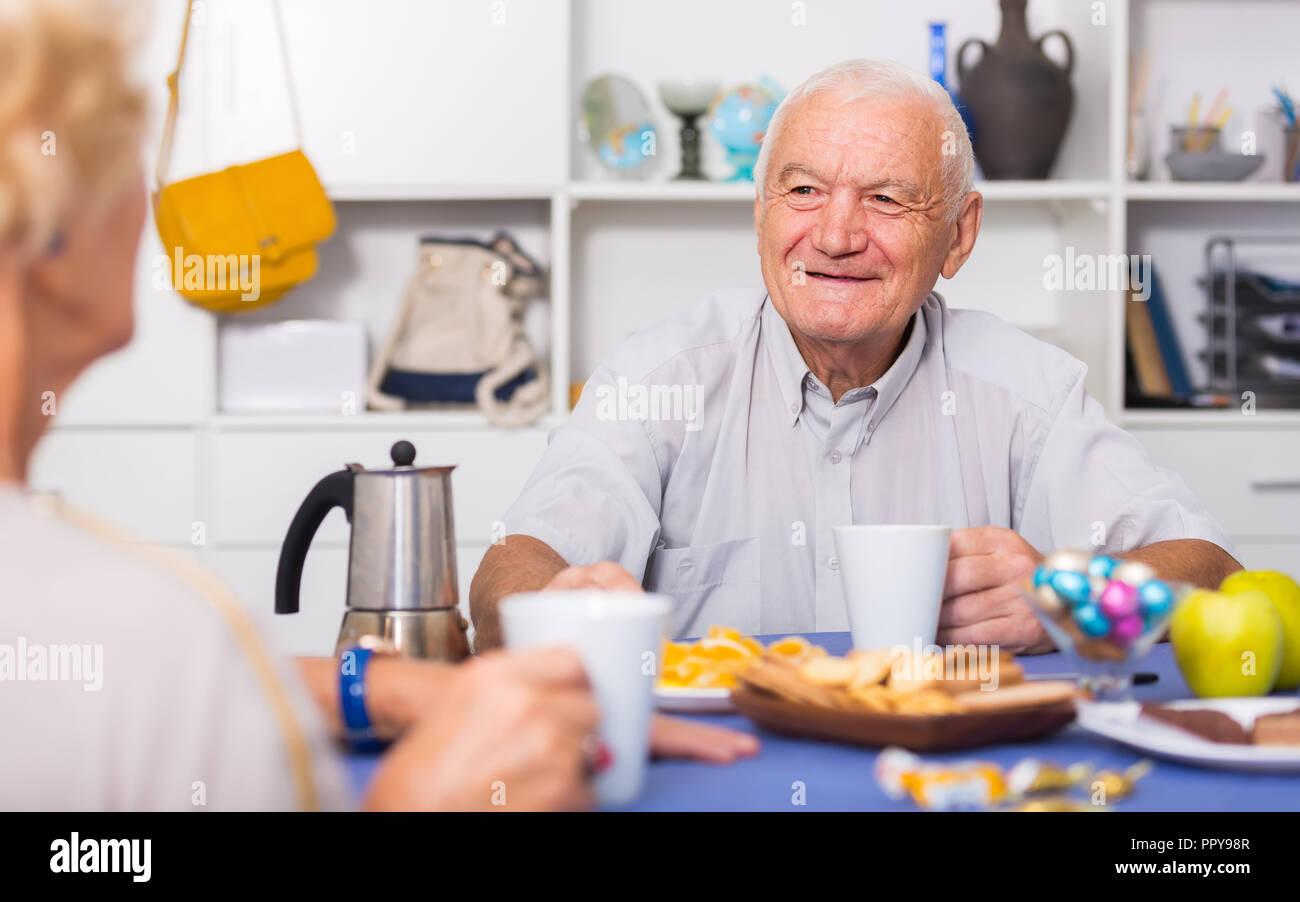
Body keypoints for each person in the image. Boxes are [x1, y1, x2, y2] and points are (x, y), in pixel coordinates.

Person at [0, 0, 754, 813]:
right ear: (49, 238)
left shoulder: (126, 643)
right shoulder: (157, 631)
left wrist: (394, 692)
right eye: (128, 156)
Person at [470, 58, 1240, 652]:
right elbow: (517, 563)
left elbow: (1214, 573)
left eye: (887, 198)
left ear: (959, 236)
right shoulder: (656, 380)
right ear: (760, 209)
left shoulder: (1027, 391)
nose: (836, 236)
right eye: (803, 190)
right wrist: (551, 616)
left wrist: (1071, 597)